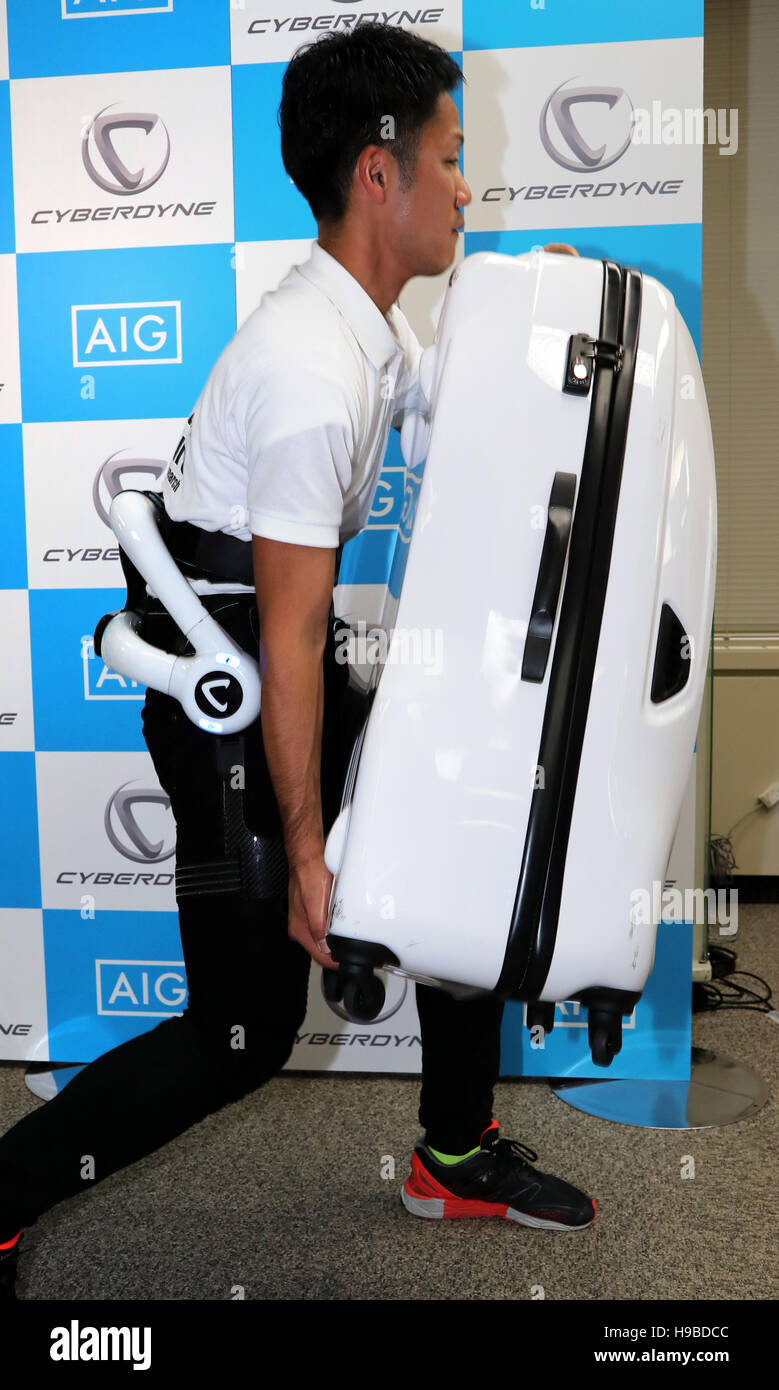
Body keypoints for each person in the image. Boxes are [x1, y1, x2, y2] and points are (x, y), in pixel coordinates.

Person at [0, 22, 594, 1303]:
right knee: (239, 1031)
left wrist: (531, 310)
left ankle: (449, 1148)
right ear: (375, 173)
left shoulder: (364, 324)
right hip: (230, 696)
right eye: (448, 157)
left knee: (451, 838)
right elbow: (280, 642)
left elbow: (450, 397)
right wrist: (311, 853)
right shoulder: (309, 370)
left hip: (282, 660)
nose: (465, 185)